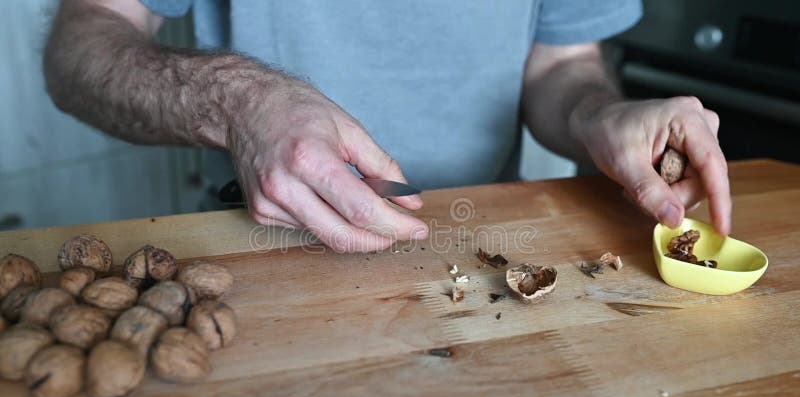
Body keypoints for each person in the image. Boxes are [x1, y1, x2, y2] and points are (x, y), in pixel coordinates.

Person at [43, 0, 731, 253]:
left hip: (485, 243)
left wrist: (598, 114)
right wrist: (238, 101)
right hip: (261, 243)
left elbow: (561, 66)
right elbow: (81, 48)